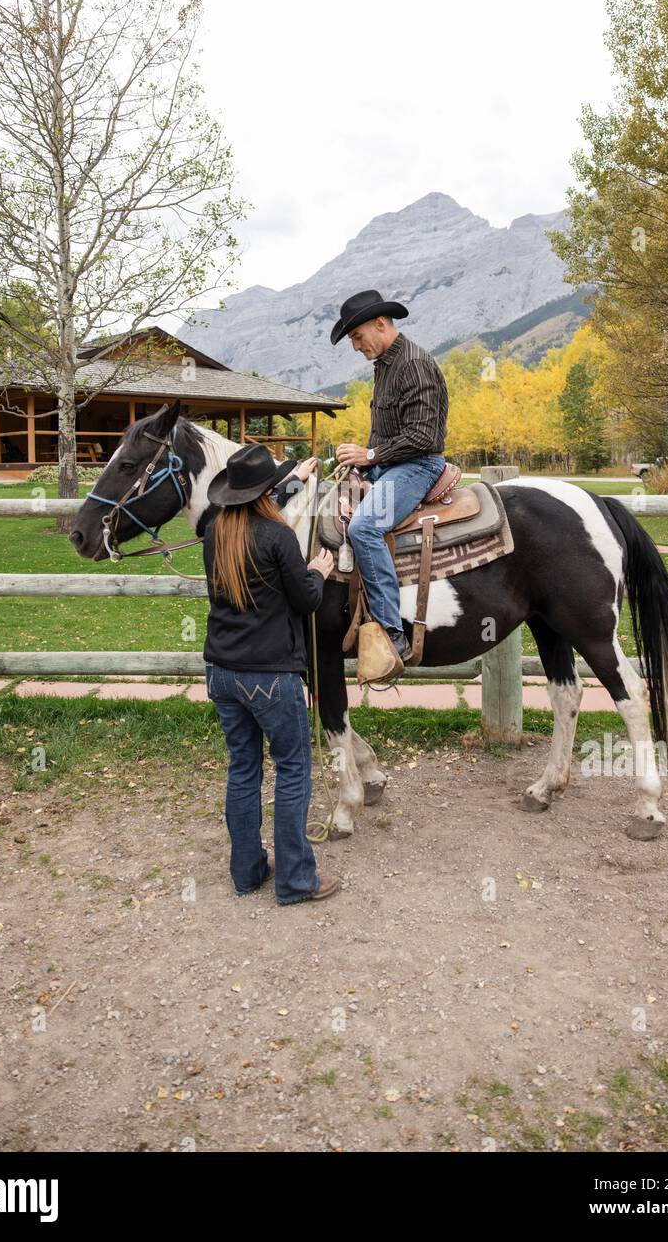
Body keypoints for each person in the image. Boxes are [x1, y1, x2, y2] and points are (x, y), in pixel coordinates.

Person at [201, 442, 340, 905]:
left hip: (221, 670)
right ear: (268, 491)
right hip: (270, 675)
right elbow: (306, 600)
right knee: (294, 769)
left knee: (243, 769)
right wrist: (319, 570)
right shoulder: (278, 537)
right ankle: (297, 881)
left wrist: (294, 479)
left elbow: (260, 512)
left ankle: (246, 872)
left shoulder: (215, 531)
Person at [330, 289, 448, 664]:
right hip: (390, 465)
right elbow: (387, 432)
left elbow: (424, 436)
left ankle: (391, 632)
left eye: (357, 337)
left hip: (418, 465)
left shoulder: (413, 364)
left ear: (380, 324)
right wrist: (362, 459)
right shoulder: (385, 365)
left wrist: (370, 455)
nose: (355, 346)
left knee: (364, 527)